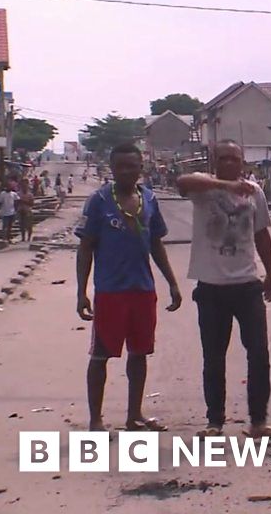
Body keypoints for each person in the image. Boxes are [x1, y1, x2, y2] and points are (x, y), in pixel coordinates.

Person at [75, 142, 183, 433]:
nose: (126, 171)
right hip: (111, 292)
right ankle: (96, 420)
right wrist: (81, 291)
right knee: (101, 355)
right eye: (120, 166)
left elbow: (156, 243)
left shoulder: (148, 199)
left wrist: (172, 282)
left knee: (139, 354)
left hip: (143, 290)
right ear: (112, 168)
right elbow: (86, 247)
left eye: (131, 166)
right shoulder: (98, 201)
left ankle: (134, 415)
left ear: (140, 168)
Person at [177, 140, 271, 439]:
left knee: (259, 353)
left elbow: (261, 234)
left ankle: (258, 421)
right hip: (211, 288)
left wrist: (270, 273)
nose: (230, 163)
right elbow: (182, 181)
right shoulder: (204, 189)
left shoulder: (254, 192)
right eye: (224, 159)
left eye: (235, 159)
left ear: (243, 161)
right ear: (214, 162)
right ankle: (215, 422)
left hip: (247, 285)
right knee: (214, 356)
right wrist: (226, 186)